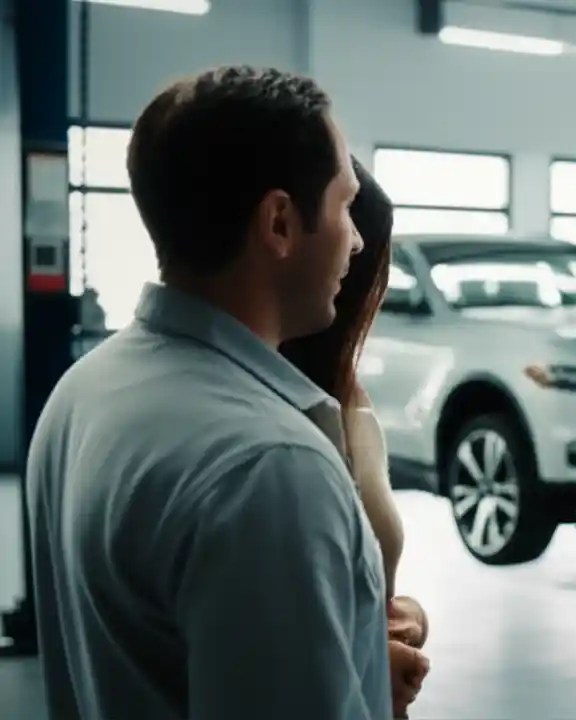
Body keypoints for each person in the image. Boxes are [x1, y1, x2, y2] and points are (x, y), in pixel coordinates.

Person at [25, 66, 390, 719]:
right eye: (343, 204)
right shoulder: (270, 467)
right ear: (279, 222)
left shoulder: (82, 393)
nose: (357, 240)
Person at [278, 156, 430, 717]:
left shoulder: (345, 397)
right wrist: (366, 663)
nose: (361, 250)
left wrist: (406, 617)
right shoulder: (271, 435)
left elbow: (367, 583)